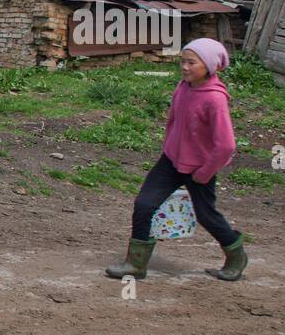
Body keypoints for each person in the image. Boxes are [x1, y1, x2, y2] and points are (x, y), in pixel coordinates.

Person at [105, 38, 248, 282]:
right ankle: (135, 264)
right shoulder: (183, 87)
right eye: (183, 61)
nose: (184, 67)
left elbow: (226, 145)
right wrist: (170, 146)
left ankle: (236, 255)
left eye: (192, 62)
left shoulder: (215, 99)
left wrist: (204, 172)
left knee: (206, 215)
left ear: (210, 66)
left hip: (199, 167)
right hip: (171, 161)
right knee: (144, 204)